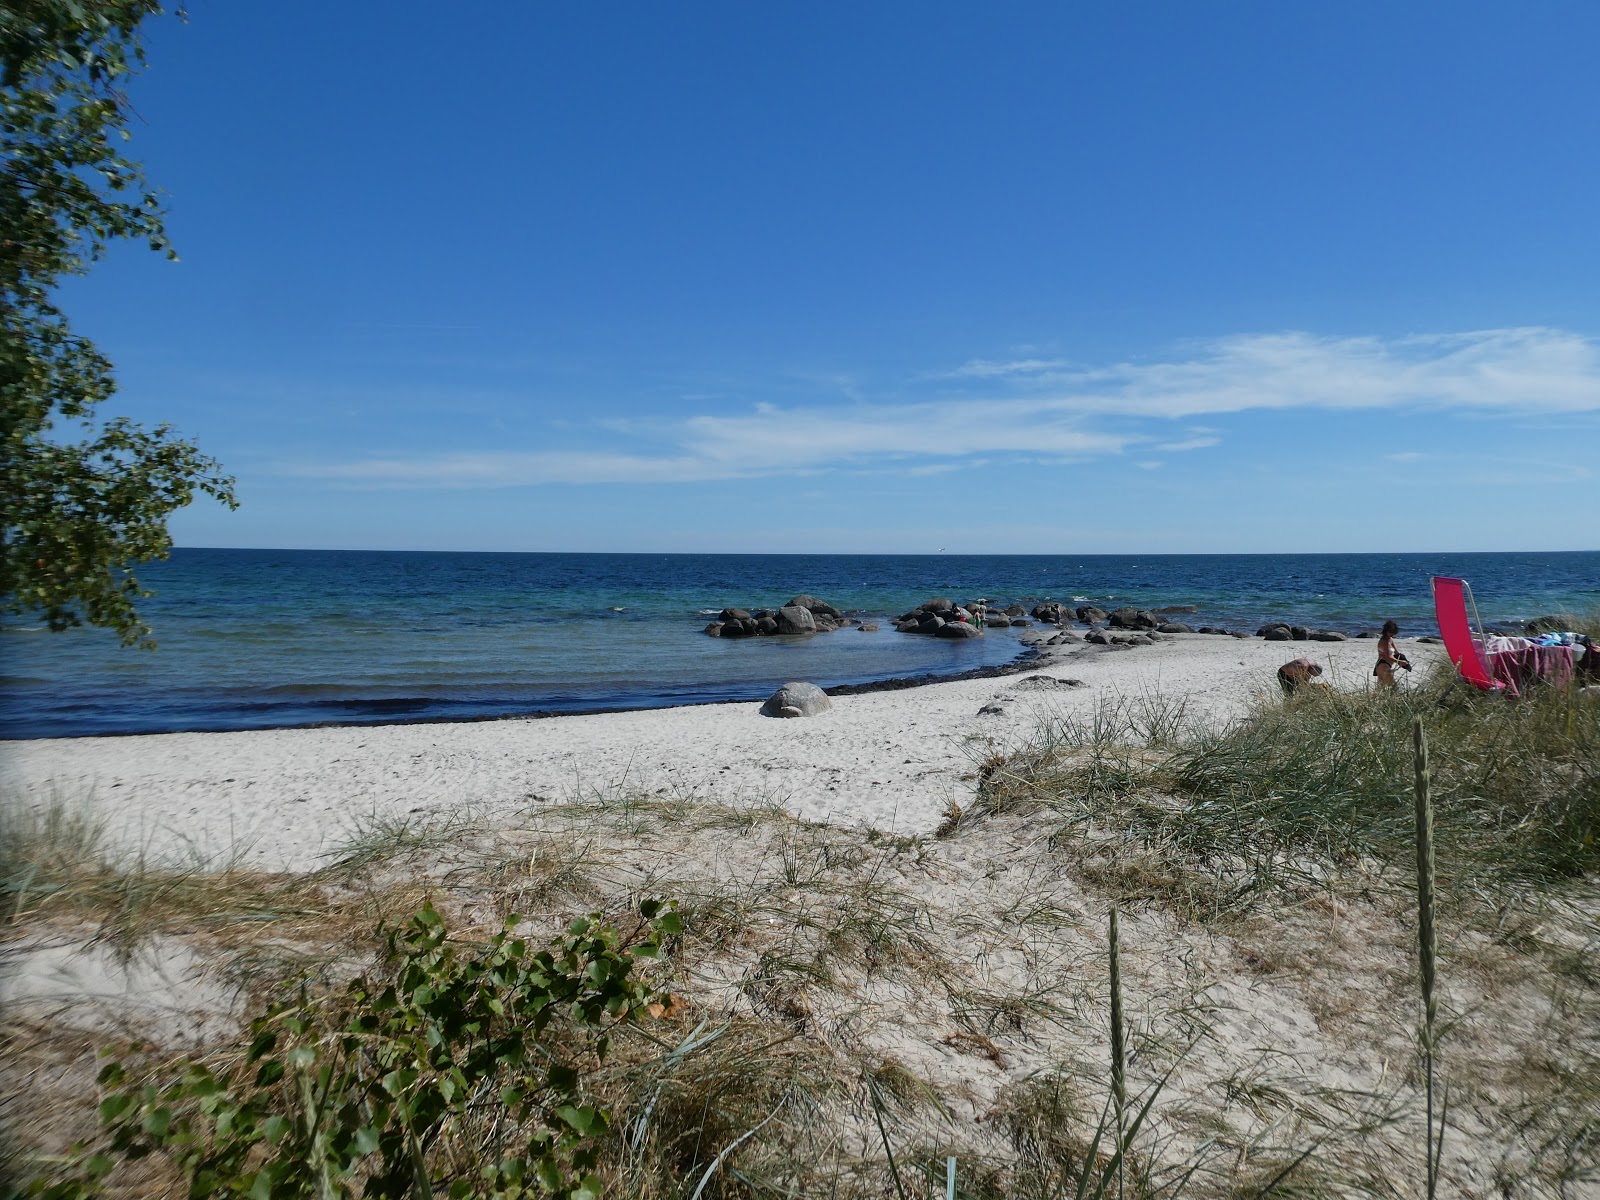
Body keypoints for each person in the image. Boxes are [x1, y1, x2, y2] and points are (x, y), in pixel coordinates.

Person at [1375, 620, 1412, 687]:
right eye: (1390, 632)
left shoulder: (1390, 639)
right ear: (1386, 631)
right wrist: (1399, 661)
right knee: (1393, 687)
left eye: (1394, 632)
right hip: (1383, 665)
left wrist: (1404, 661)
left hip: (1388, 665)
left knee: (1381, 688)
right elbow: (1388, 657)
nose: (1392, 634)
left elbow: (1396, 653)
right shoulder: (1384, 641)